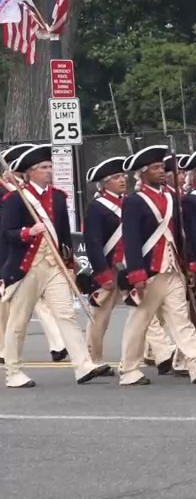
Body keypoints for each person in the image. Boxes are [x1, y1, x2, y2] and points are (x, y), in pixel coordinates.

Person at [2, 144, 111, 388]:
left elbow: (63, 236)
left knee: (66, 314)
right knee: (18, 321)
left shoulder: (58, 197)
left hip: (53, 265)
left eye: (50, 166)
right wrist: (28, 231)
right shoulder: (16, 198)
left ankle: (83, 365)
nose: (48, 171)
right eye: (43, 167)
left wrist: (70, 264)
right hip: (26, 266)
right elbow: (6, 234)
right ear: (30, 172)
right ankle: (13, 371)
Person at [119, 145, 196, 385]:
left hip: (173, 268)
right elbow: (132, 239)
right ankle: (129, 370)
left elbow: (181, 235)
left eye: (162, 167)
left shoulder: (171, 198)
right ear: (142, 172)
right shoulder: (134, 201)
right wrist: (136, 273)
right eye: (156, 167)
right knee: (140, 321)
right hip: (149, 270)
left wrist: (190, 264)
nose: (162, 171)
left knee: (181, 319)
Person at [82, 156, 129, 364]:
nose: (122, 180)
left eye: (123, 176)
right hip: (110, 266)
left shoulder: (128, 203)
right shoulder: (97, 207)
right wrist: (102, 273)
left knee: (145, 311)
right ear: (105, 182)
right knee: (101, 316)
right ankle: (93, 359)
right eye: (117, 177)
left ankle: (159, 352)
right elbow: (93, 242)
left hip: (130, 266)